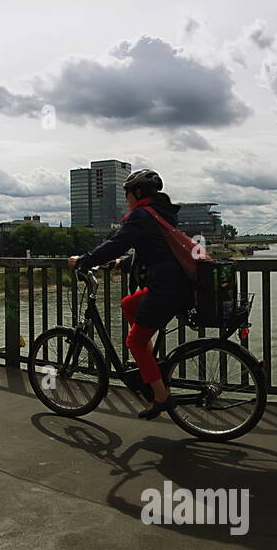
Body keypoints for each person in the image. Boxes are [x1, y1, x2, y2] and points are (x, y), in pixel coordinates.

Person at [70, 168, 197, 420]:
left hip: (166, 288)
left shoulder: (141, 215)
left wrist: (85, 261)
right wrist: (124, 263)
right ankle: (148, 365)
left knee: (134, 342)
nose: (126, 198)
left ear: (137, 193)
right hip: (175, 283)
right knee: (128, 304)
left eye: (127, 193)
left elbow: (117, 243)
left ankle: (160, 397)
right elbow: (155, 251)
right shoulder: (161, 213)